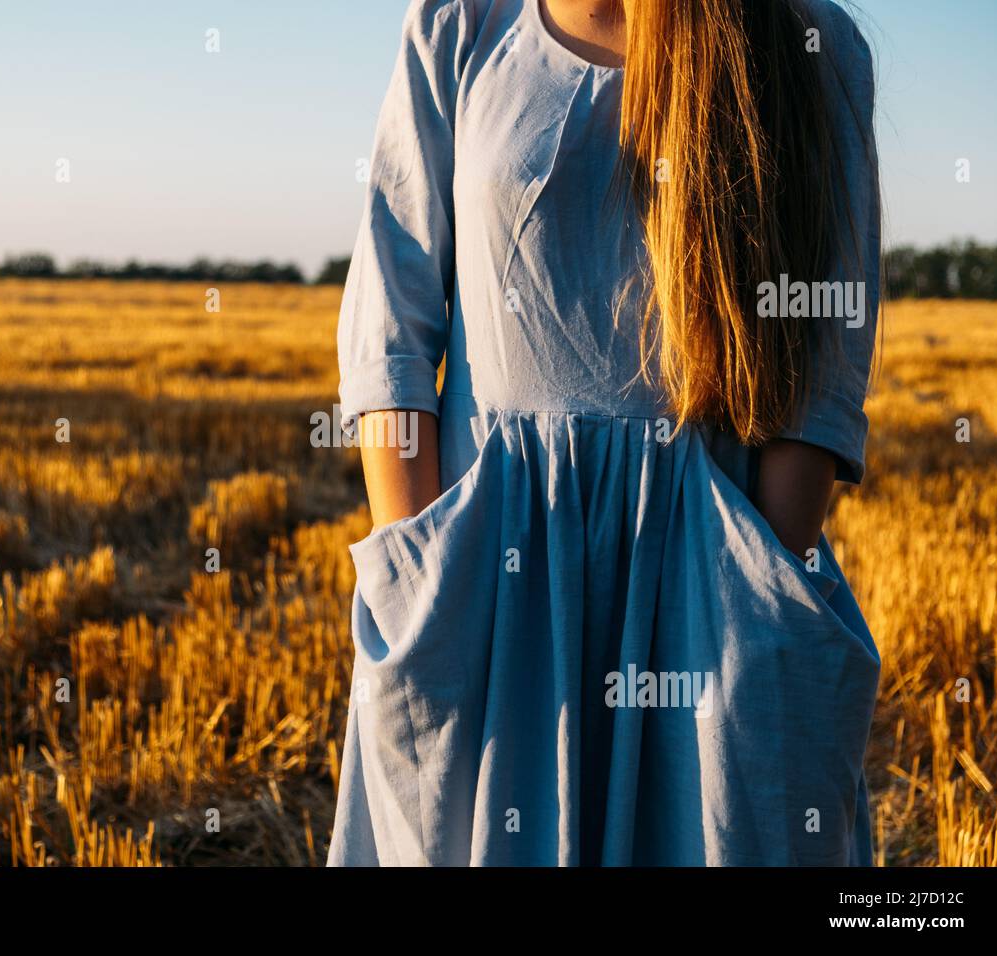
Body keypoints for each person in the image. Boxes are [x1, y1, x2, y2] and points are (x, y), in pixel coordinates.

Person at [329, 0, 882, 865]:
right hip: (489, 579)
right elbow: (391, 332)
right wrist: (421, 573)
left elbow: (820, 364)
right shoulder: (459, 27)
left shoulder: (812, 42)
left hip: (713, 576)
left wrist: (756, 599)